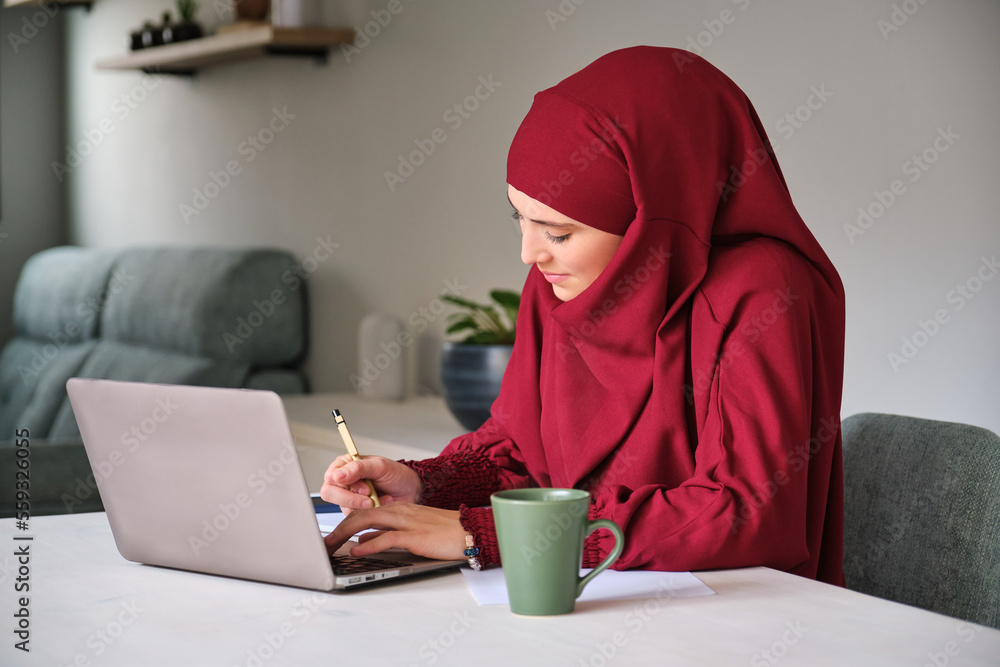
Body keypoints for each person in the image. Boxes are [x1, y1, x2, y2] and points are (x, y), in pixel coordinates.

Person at [322, 46, 846, 584]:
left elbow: (743, 513)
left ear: (652, 215)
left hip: (732, 615)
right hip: (582, 601)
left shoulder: (764, 290)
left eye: (559, 232)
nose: (530, 253)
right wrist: (422, 484)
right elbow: (524, 454)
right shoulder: (554, 287)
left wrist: (488, 534)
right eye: (519, 218)